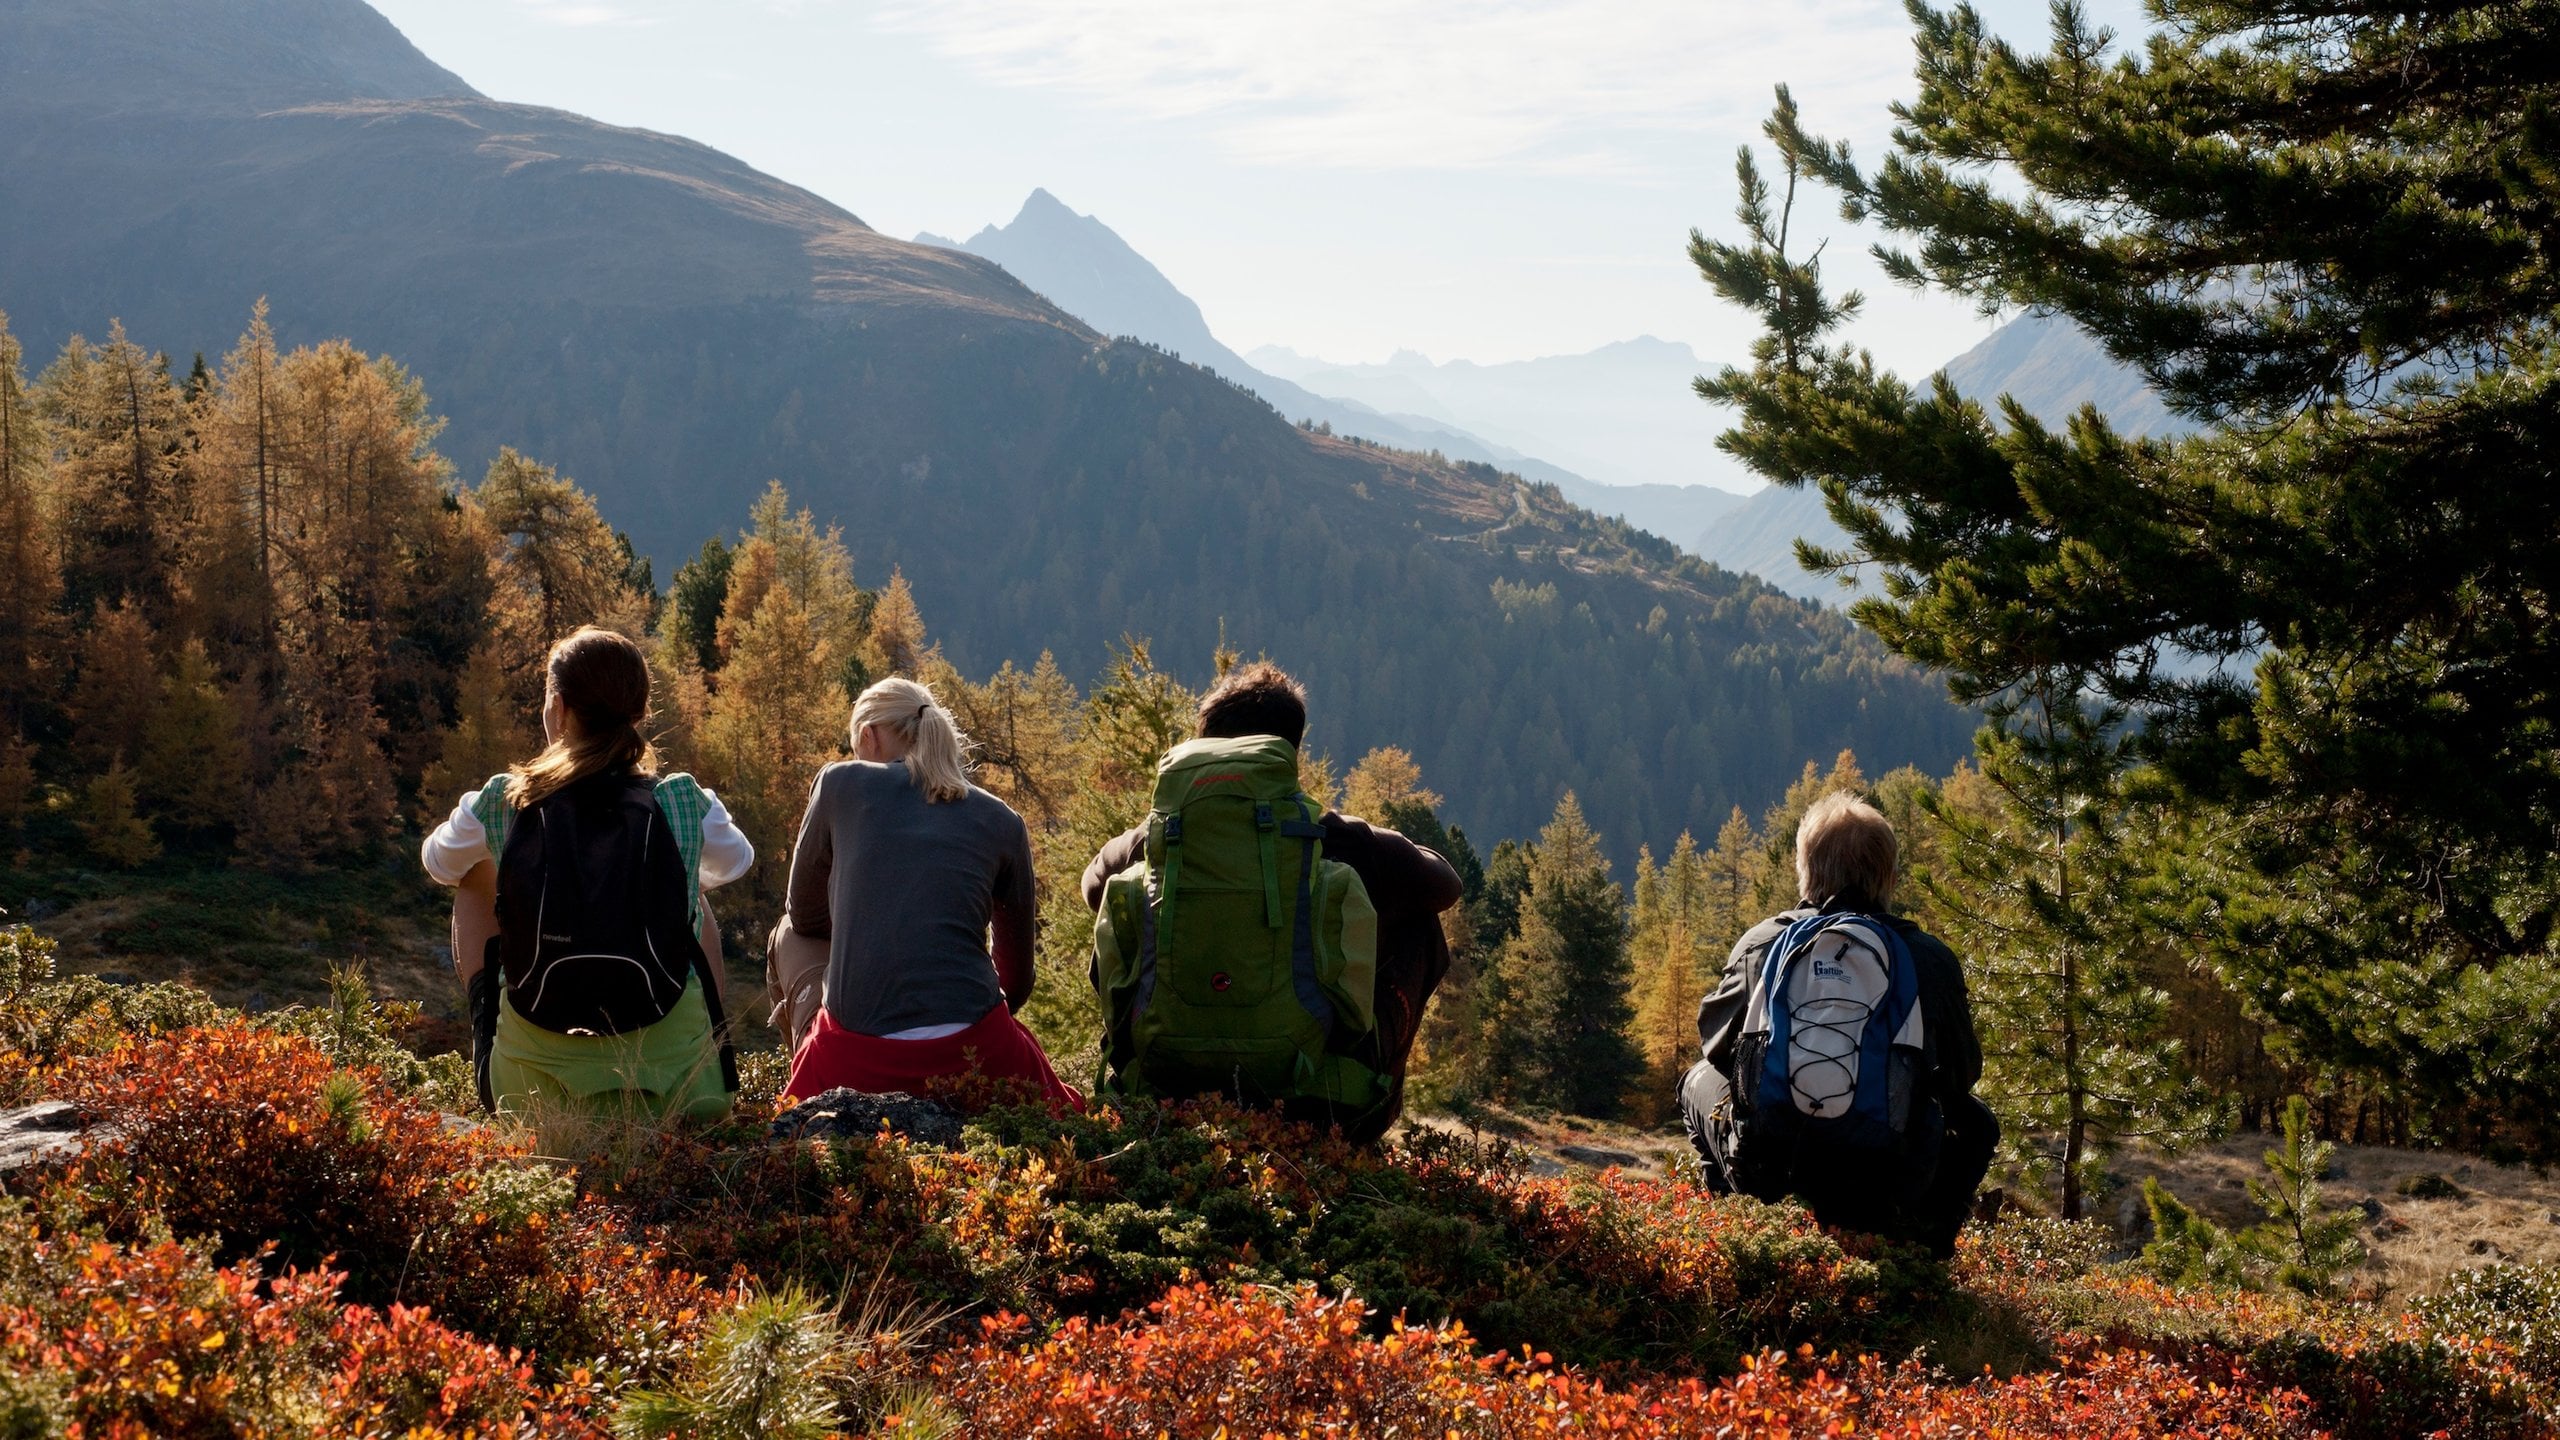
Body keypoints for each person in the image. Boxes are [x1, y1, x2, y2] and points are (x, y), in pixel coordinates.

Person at [1080, 662, 1460, 1143]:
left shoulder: (1151, 846)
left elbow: (1092, 891)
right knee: (1419, 925)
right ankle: (1362, 1115)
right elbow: (1446, 886)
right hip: (1314, 1104)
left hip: (1170, 1086)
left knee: (1122, 907)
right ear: (1287, 755)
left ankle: (1151, 1084)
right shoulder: (1342, 841)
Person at [422, 626, 751, 1122]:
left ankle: (489, 1039)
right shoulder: (680, 799)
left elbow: (438, 862)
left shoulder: (502, 800)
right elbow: (736, 862)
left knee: (475, 877)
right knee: (691, 889)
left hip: (531, 1096)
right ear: (639, 713)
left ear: (557, 708)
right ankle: (703, 1049)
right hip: (681, 1097)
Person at [1679, 792, 1995, 1256]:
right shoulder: (1929, 959)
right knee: (1979, 1123)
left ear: (1806, 868)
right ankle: (1922, 1254)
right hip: (1885, 1181)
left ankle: (1737, 1232)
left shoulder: (1762, 944)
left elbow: (1718, 1048)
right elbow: (1960, 1075)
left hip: (1771, 1172)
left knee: (1696, 1080)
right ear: (1887, 875)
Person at [769, 677, 1080, 1109]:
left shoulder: (840, 784)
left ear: (868, 736)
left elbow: (805, 916)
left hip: (858, 1059)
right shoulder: (1002, 820)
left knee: (787, 933)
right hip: (978, 1054)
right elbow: (1017, 978)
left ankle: (811, 1068)